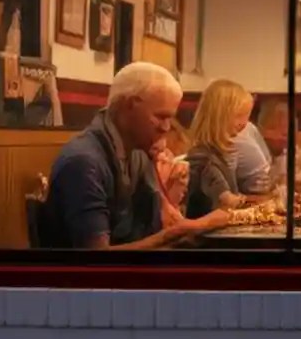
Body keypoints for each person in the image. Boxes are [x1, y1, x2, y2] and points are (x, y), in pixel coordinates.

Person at [39, 62, 230, 249]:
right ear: (130, 105)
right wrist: (174, 235)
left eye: (170, 118)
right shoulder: (83, 162)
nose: (166, 128)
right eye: (161, 117)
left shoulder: (138, 152)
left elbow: (166, 222)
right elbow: (96, 261)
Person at [184, 79, 258, 216]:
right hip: (206, 233)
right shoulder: (203, 158)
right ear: (221, 117)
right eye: (239, 116)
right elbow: (227, 200)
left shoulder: (215, 153)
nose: (244, 123)